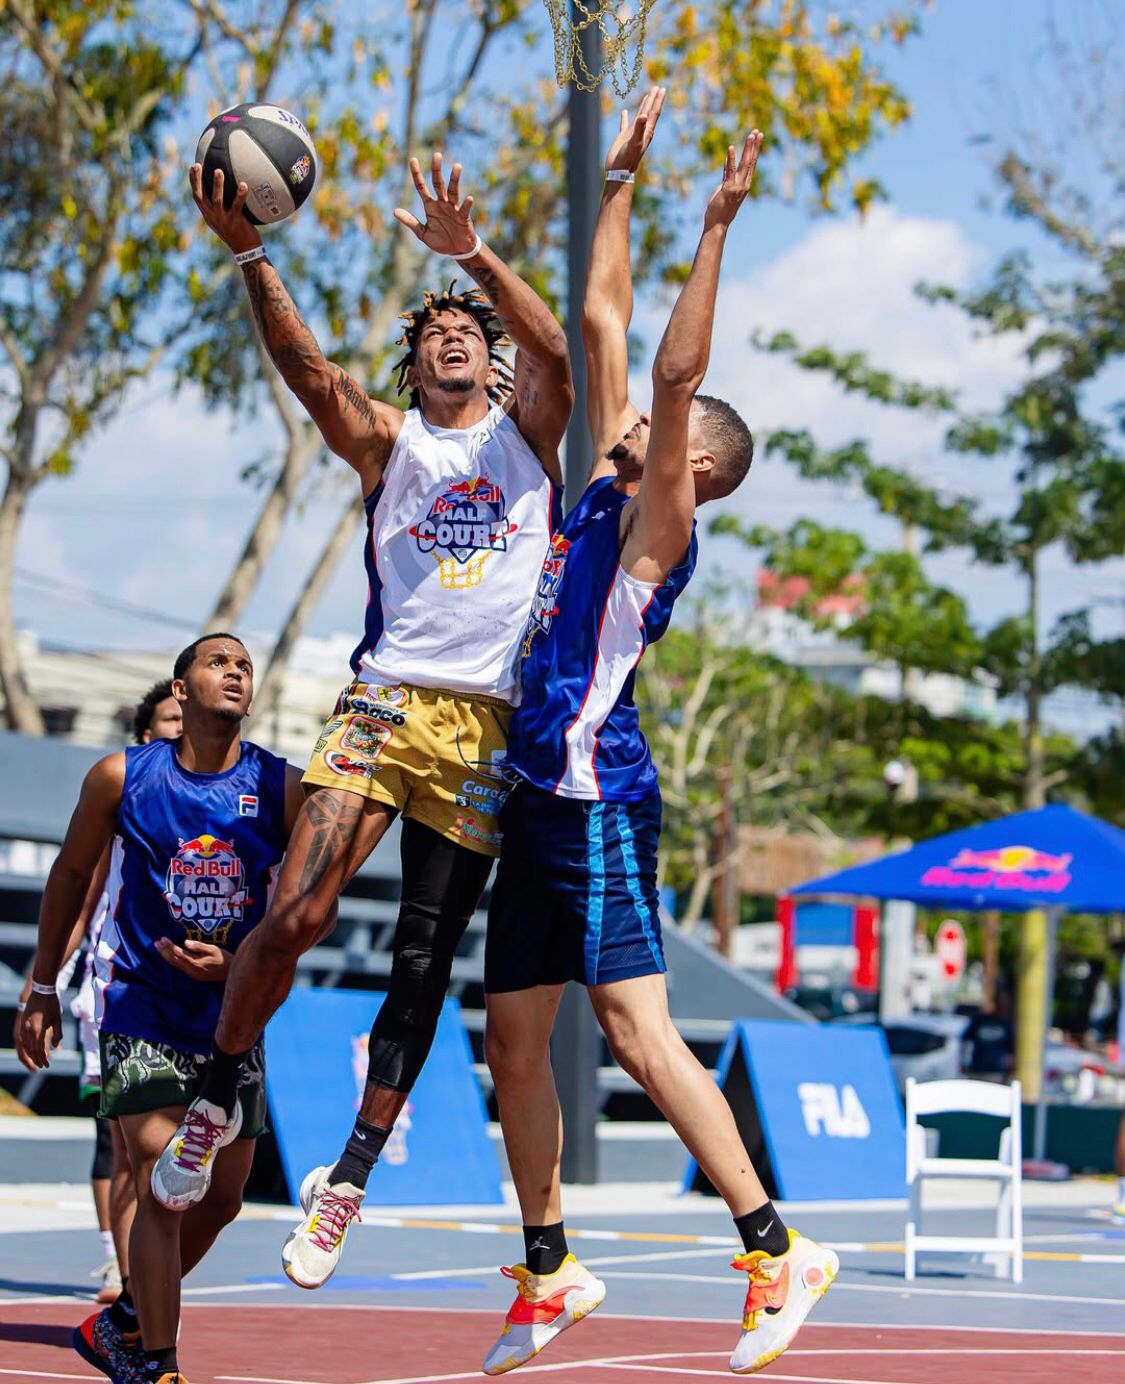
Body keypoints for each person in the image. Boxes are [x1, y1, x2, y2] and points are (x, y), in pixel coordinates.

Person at [151, 149, 572, 1290]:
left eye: (470, 329)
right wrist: (251, 251)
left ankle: (347, 1176)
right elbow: (304, 368)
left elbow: (557, 347)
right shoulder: (391, 443)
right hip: (386, 704)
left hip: (484, 733)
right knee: (293, 913)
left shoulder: (530, 434)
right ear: (415, 355)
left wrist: (471, 254)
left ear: (490, 358)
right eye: (436, 326)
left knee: (422, 961)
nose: (454, 336)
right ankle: (215, 1091)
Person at [480, 94, 837, 1377]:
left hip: (598, 803)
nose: (625, 415)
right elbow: (600, 323)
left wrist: (717, 223)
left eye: (651, 427)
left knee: (637, 1031)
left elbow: (670, 370)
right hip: (532, 798)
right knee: (513, 1036)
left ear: (694, 462)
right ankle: (548, 1265)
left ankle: (772, 1246)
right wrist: (617, 179)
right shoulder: (602, 481)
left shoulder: (660, 525)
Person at [20, 634, 305, 1384]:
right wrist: (44, 984)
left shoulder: (280, 787)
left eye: (244, 664)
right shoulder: (121, 776)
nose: (235, 671)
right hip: (140, 1005)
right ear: (180, 690)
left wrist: (245, 960)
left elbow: (316, 903)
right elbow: (72, 873)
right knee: (161, 1183)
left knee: (221, 1198)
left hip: (231, 1018)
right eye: (218, 662)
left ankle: (121, 1322)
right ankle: (158, 1362)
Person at [14, 681, 182, 1305]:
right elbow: (80, 895)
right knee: (121, 1141)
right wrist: (46, 983)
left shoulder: (223, 803)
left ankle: (146, 1277)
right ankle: (124, 1270)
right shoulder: (122, 800)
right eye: (168, 719)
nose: (178, 726)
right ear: (145, 734)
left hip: (197, 995)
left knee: (183, 1159)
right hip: (116, 992)